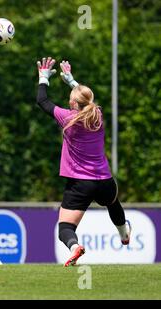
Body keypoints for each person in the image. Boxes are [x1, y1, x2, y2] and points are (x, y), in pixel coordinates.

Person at [36, 57, 131, 267]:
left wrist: (44, 77)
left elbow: (42, 101)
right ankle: (124, 233)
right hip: (104, 180)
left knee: (65, 227)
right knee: (112, 203)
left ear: (72, 103)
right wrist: (71, 80)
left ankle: (74, 247)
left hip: (80, 183)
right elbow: (86, 99)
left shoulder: (67, 117)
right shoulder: (97, 114)